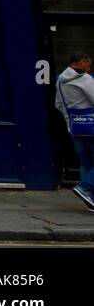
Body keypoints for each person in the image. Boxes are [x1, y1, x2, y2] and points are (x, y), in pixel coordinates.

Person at [56, 52, 94, 212]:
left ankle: (90, 199)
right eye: (88, 64)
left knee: (86, 161)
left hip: (75, 126)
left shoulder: (60, 80)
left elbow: (58, 104)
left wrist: (69, 121)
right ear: (81, 62)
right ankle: (85, 187)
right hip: (91, 125)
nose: (89, 68)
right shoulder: (85, 79)